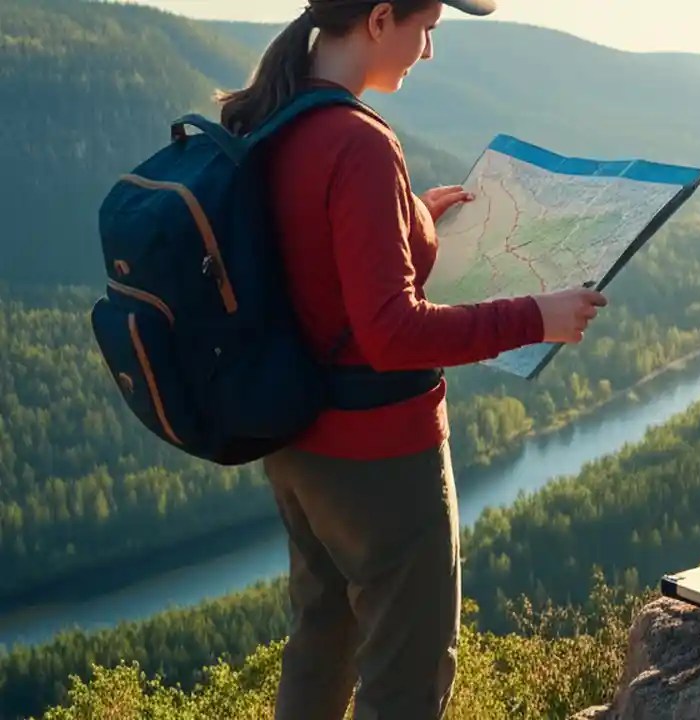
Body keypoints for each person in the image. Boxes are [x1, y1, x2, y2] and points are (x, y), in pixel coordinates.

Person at [215, 1, 608, 718]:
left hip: (300, 444)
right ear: (379, 18)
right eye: (425, 29)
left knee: (320, 642)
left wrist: (411, 217)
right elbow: (390, 334)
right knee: (406, 677)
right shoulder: (358, 142)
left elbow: (313, 256)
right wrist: (536, 317)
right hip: (382, 460)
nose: (427, 51)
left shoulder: (278, 117)